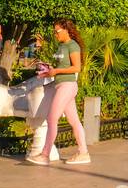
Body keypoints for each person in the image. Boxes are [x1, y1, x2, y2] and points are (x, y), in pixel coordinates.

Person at [28, 19, 90, 166]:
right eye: (54, 32)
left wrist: (56, 71)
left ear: (66, 30)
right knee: (73, 121)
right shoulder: (61, 46)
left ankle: (44, 155)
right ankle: (83, 153)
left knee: (51, 118)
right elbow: (59, 67)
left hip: (67, 86)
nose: (55, 34)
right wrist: (49, 71)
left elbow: (76, 68)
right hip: (60, 84)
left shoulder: (72, 45)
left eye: (57, 31)